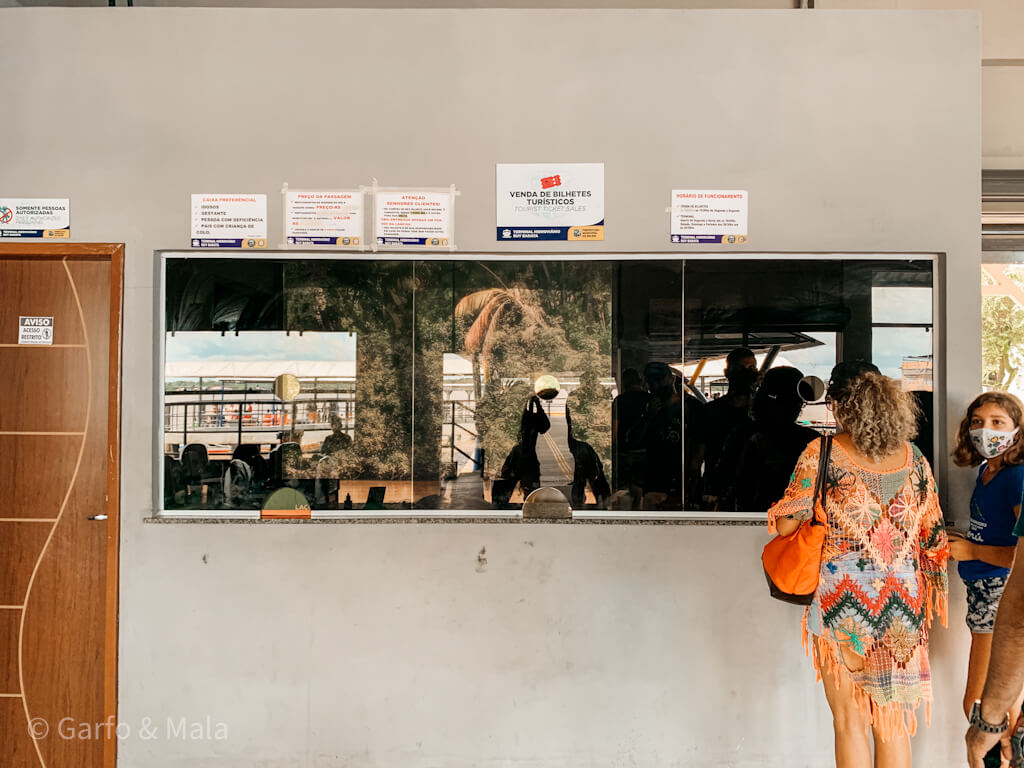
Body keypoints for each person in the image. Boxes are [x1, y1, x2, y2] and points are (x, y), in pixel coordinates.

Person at [768, 361, 949, 768]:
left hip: (842, 602)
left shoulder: (822, 452)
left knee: (850, 723)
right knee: (892, 722)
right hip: (902, 604)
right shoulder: (915, 459)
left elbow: (785, 525)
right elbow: (933, 537)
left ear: (840, 404)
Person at [951, 392, 1024, 766]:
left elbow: (1019, 557)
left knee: (978, 703)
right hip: (980, 589)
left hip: (999, 591)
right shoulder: (987, 471)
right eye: (978, 422)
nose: (986, 430)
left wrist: (973, 552)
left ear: (1017, 429)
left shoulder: (1017, 477)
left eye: (998, 422)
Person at [725, 366, 818, 512]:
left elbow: (730, 482)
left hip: (748, 520)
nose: (798, 407)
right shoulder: (812, 440)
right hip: (798, 523)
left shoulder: (743, 434)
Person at [699, 347, 758, 506]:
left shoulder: (760, 413)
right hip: (718, 488)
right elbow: (699, 454)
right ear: (728, 373)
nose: (746, 374)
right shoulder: (710, 412)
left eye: (751, 369)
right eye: (742, 369)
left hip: (750, 488)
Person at [611, 367, 648, 490]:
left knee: (622, 487)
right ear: (640, 381)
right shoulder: (649, 399)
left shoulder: (619, 401)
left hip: (624, 450)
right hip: (645, 449)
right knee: (641, 486)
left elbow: (615, 428)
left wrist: (613, 445)